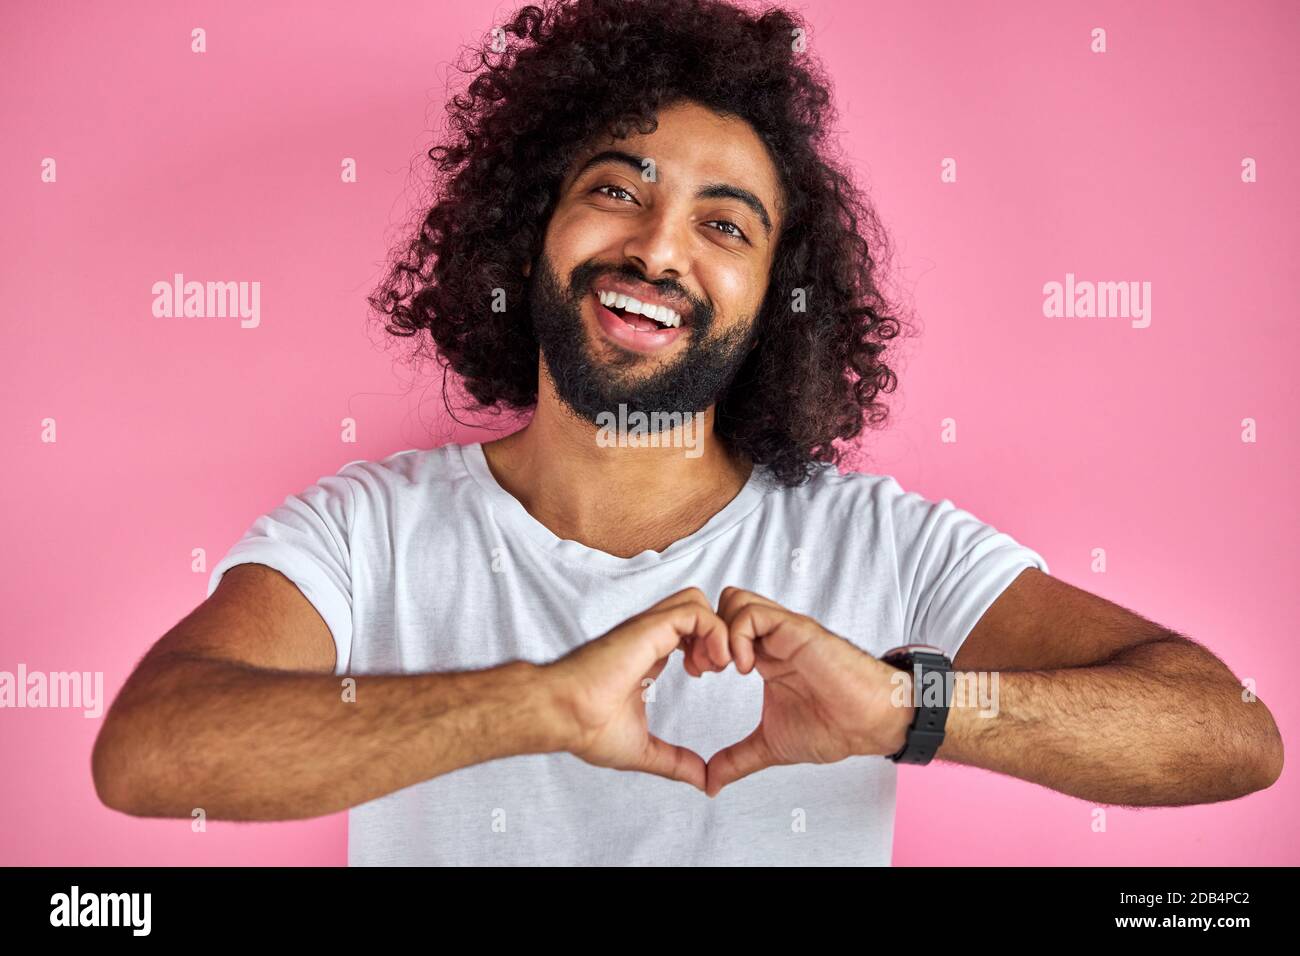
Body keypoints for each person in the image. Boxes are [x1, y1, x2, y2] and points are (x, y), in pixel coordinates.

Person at [91, 0, 1282, 865]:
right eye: (618, 188)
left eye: (725, 224)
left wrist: (905, 708)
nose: (658, 249)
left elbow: (1229, 729)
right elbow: (148, 750)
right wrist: (536, 702)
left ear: (775, 299)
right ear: (529, 231)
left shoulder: (882, 544)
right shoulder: (369, 529)